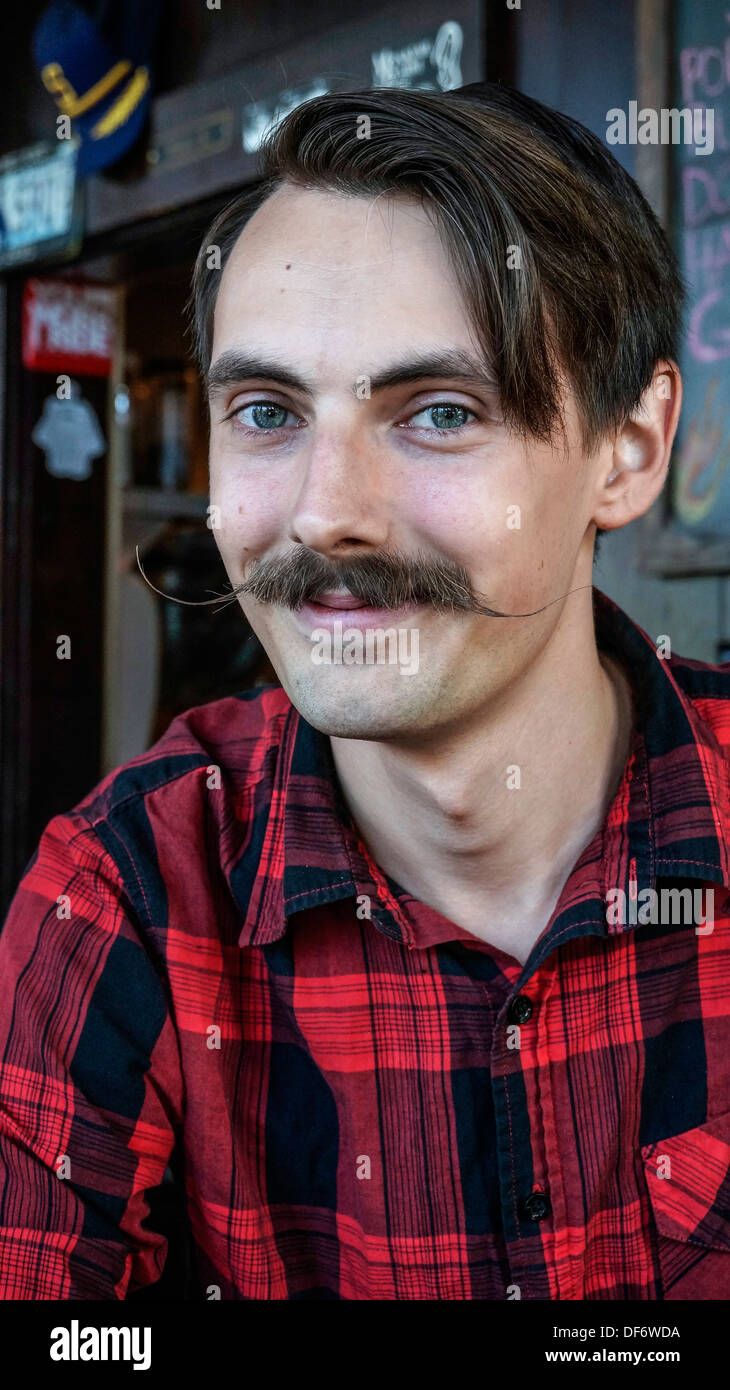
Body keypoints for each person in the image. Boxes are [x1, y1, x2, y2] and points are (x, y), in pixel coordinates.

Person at [1, 81, 729, 1302]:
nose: (326, 511)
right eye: (268, 412)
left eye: (438, 412)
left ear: (631, 447)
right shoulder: (125, 895)